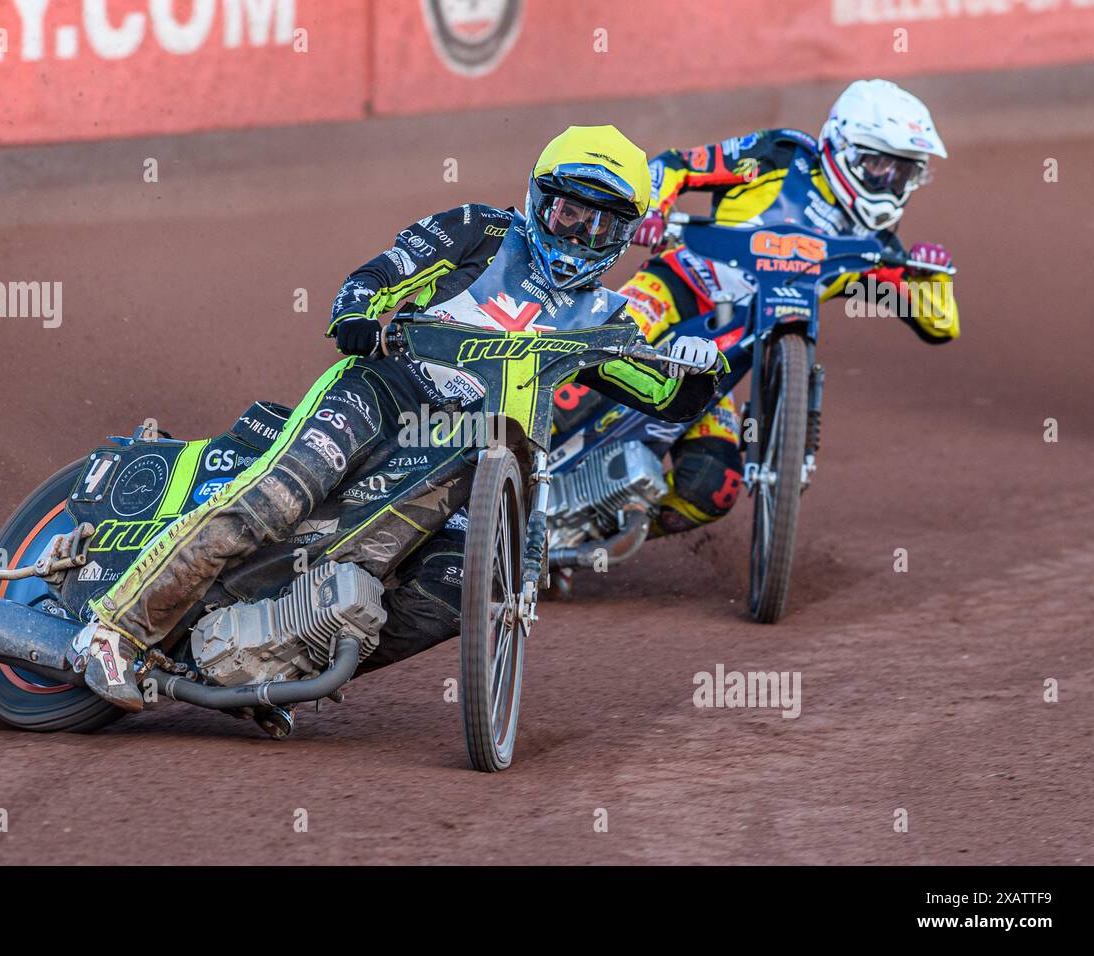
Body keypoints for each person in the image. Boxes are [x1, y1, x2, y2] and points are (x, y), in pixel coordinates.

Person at [76, 125, 725, 713]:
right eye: (569, 212)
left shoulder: (606, 319)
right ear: (538, 198)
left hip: (473, 460)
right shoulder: (481, 229)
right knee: (279, 497)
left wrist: (702, 369)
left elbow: (664, 396)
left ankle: (279, 664)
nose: (579, 234)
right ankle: (114, 630)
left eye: (600, 225)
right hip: (384, 393)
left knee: (454, 594)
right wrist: (357, 313)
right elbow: (382, 273)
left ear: (623, 236)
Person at [610, 79, 960, 536]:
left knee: (711, 489)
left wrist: (933, 278)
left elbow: (939, 325)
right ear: (843, 148)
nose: (889, 182)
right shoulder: (779, 155)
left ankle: (599, 533)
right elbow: (678, 164)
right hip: (673, 290)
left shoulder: (870, 248)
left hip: (712, 368)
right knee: (589, 352)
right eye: (879, 166)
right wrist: (652, 209)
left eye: (903, 173)